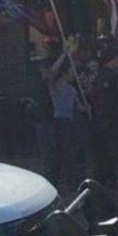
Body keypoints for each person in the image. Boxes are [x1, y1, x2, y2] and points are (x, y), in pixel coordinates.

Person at [91, 45, 118, 201]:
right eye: (117, 59)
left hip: (107, 123)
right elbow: (111, 103)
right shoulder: (108, 78)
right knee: (114, 157)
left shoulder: (107, 77)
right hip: (111, 124)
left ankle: (104, 188)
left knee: (105, 159)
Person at [47, 50, 88, 196]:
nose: (73, 73)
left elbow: (77, 107)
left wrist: (86, 108)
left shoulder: (73, 90)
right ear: (65, 72)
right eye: (71, 70)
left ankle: (72, 184)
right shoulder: (56, 86)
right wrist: (64, 55)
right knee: (58, 155)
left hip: (69, 123)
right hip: (59, 123)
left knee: (70, 154)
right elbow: (52, 72)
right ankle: (53, 183)